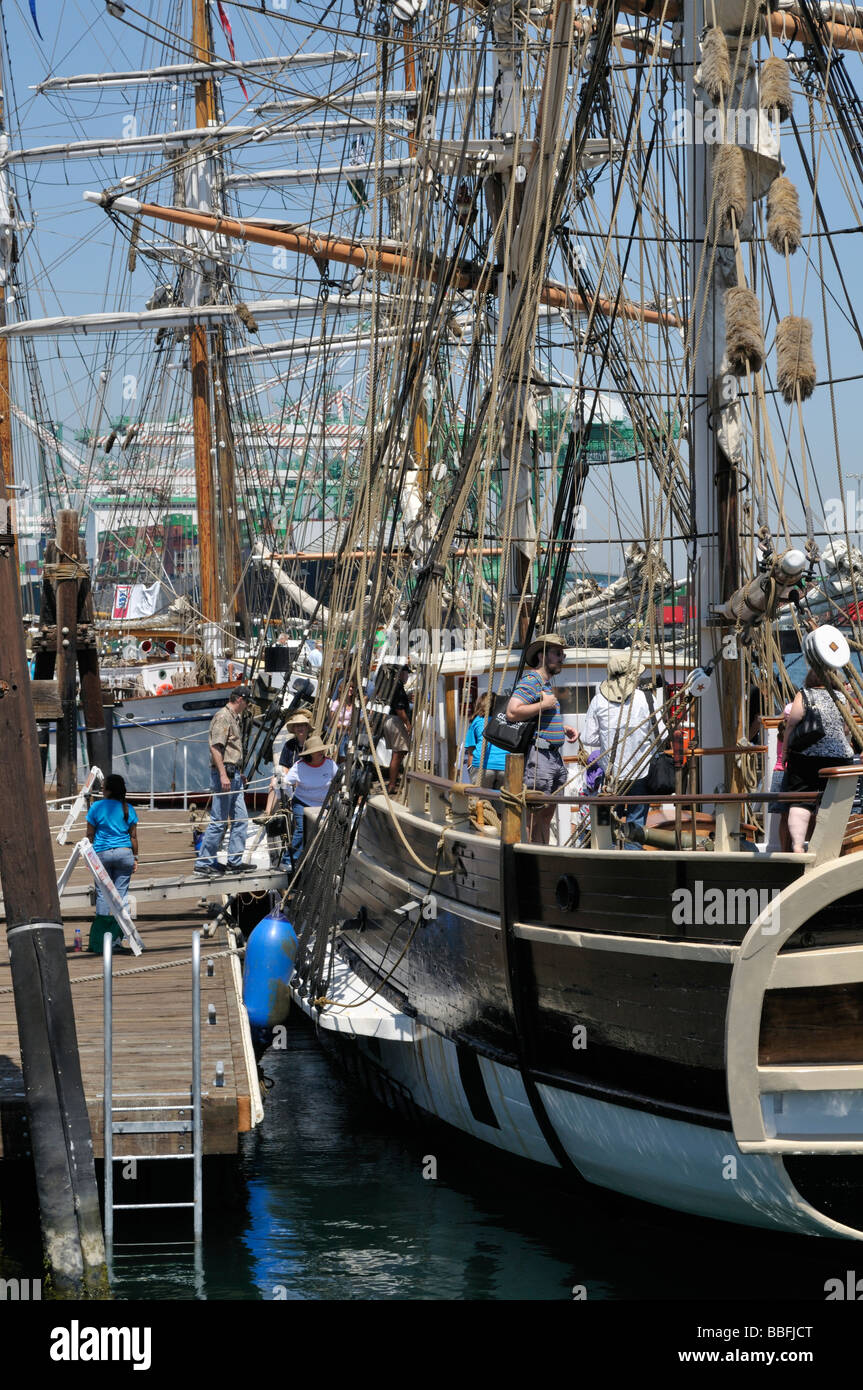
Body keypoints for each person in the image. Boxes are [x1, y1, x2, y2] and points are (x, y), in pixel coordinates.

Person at [581, 651, 663, 845]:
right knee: (636, 826)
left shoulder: (598, 701)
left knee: (606, 825)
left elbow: (588, 738)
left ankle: (608, 859)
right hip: (641, 773)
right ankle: (632, 862)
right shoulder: (647, 699)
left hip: (611, 775)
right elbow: (661, 734)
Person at [506, 633, 579, 844]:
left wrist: (561, 728)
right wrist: (544, 705)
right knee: (532, 817)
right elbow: (513, 711)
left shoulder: (545, 684)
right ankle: (529, 857)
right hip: (540, 759)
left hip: (553, 757)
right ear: (541, 656)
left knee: (546, 816)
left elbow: (539, 716)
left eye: (562, 654)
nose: (561, 658)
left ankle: (542, 853)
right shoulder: (532, 680)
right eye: (557, 654)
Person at [783, 666, 855, 853]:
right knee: (833, 802)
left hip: (806, 756)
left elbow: (792, 722)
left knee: (801, 801)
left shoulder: (804, 694)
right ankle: (831, 848)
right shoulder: (841, 697)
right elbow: (846, 729)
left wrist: (785, 752)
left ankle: (798, 846)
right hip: (839, 759)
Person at [194, 686, 253, 876]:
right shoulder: (223, 717)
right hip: (225, 776)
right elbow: (216, 747)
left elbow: (229, 750)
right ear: (240, 699)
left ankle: (234, 861)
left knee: (241, 819)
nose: (248, 705)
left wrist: (238, 772)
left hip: (233, 774)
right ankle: (203, 863)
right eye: (247, 701)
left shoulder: (235, 718)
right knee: (219, 821)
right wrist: (222, 774)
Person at [86, 773, 138, 951]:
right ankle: (118, 938)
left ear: (107, 790)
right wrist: (135, 858)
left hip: (102, 854)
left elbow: (90, 835)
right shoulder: (128, 808)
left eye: (103, 787)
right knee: (121, 896)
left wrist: (89, 858)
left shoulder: (96, 807)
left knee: (102, 895)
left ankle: (101, 938)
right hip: (125, 854)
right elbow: (133, 837)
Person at [282, 733, 337, 870]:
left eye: (321, 750)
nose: (320, 753)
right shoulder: (299, 766)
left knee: (325, 831)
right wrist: (279, 783)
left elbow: (339, 780)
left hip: (323, 804)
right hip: (302, 802)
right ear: (309, 754)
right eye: (316, 751)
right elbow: (286, 782)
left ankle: (323, 860)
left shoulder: (330, 764)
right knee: (301, 830)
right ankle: (288, 860)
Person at [464, 692, 507, 790]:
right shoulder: (506, 720)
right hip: (505, 767)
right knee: (502, 804)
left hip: (482, 767)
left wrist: (470, 769)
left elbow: (471, 752)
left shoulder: (476, 722)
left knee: (481, 803)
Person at [381, 663, 413, 794]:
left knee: (400, 752)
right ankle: (392, 785)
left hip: (390, 720)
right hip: (396, 721)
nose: (407, 676)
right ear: (401, 673)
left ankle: (394, 780)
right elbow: (399, 709)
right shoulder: (398, 687)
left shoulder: (395, 686)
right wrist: (408, 724)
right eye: (406, 673)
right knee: (398, 753)